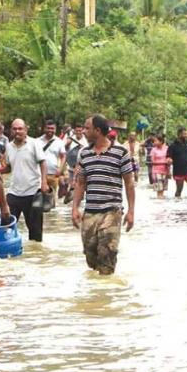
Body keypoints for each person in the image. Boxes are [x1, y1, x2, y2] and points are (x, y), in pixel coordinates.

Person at [71, 114, 136, 275]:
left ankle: (107, 293)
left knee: (107, 253)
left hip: (112, 211)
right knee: (90, 254)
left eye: (87, 128)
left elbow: (129, 183)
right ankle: (96, 292)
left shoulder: (121, 152)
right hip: (90, 211)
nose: (84, 131)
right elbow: (80, 183)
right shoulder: (84, 154)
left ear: (97, 130)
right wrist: (75, 208)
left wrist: (131, 211)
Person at [5, 118, 49, 242]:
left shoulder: (34, 143)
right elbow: (8, 167)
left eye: (20, 128)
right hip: (14, 192)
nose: (17, 131)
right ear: (11, 131)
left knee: (35, 234)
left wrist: (44, 182)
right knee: (7, 227)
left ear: (26, 129)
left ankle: (35, 257)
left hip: (33, 192)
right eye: (14, 129)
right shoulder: (9, 146)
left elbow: (43, 163)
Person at [39, 119, 66, 208]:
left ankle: (51, 220)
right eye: (48, 128)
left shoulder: (59, 142)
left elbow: (63, 156)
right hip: (39, 174)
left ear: (55, 129)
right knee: (39, 200)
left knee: (51, 201)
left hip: (53, 174)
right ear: (44, 129)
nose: (50, 130)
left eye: (52, 128)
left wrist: (60, 169)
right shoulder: (37, 141)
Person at [167, 127, 187, 198]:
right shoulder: (173, 146)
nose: (186, 135)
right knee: (179, 189)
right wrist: (169, 161)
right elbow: (168, 157)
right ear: (179, 134)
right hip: (178, 171)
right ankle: (177, 203)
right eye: (184, 134)